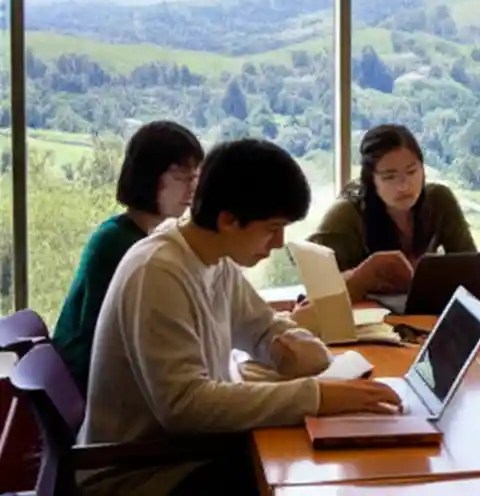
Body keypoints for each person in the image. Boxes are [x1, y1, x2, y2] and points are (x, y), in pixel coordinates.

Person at [80, 139, 401, 496]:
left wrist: (313, 357)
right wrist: (317, 396)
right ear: (228, 220)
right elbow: (185, 406)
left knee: (327, 458)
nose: (278, 242)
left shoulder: (213, 258)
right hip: (144, 473)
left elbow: (264, 327)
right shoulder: (157, 272)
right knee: (315, 477)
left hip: (188, 452)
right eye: (272, 228)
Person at [52, 121, 204, 392]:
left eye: (195, 176)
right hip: (94, 387)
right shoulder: (119, 243)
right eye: (181, 176)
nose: (192, 188)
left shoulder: (141, 235)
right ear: (148, 176)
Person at [309, 124, 478, 300]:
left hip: (420, 314)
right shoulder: (345, 214)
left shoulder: (439, 200)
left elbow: (473, 267)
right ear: (371, 180)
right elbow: (318, 290)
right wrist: (363, 275)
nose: (404, 186)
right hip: (363, 318)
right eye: (389, 177)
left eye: (412, 172)